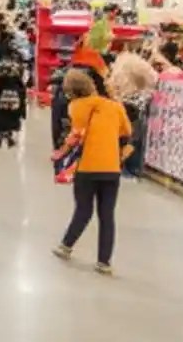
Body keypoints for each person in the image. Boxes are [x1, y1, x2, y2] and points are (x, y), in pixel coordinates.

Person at [52, 70, 132, 275]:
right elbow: (126, 134)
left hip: (87, 165)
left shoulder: (76, 107)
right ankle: (104, 261)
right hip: (111, 168)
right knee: (107, 215)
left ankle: (66, 246)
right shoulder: (115, 107)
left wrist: (60, 154)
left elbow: (76, 134)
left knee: (83, 209)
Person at [107, 53, 158, 177]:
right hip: (132, 102)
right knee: (134, 137)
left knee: (121, 136)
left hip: (119, 100)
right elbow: (154, 78)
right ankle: (131, 168)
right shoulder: (138, 63)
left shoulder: (121, 59)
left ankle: (117, 164)